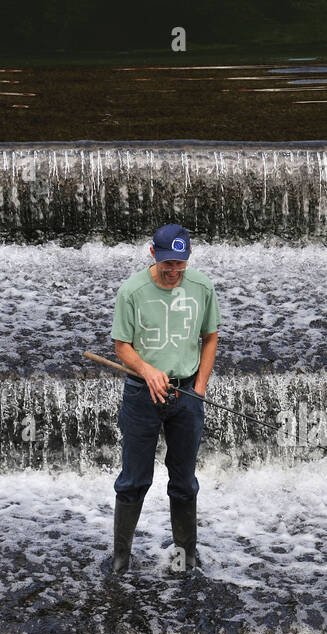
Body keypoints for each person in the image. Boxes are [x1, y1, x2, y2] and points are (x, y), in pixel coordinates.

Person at [109, 224, 220, 573]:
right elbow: (121, 346)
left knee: (184, 481)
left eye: (181, 265)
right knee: (134, 480)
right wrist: (146, 369)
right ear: (154, 254)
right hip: (142, 395)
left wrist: (199, 388)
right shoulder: (132, 291)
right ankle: (121, 559)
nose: (174, 272)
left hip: (186, 393)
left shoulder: (201, 287)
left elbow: (210, 337)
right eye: (168, 263)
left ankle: (185, 557)